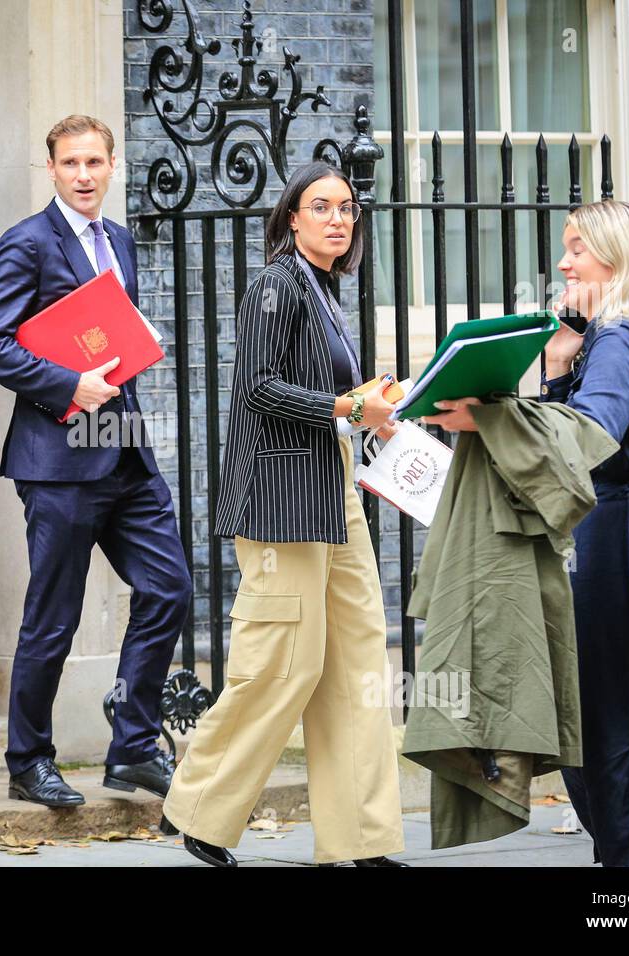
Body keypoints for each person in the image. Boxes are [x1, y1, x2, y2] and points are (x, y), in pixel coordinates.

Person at [423, 199, 629, 867]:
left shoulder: (624, 338)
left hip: (624, 542)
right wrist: (555, 362)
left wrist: (486, 416)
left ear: (615, 258)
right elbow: (577, 439)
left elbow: (591, 433)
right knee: (620, 741)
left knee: (608, 744)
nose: (564, 260)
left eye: (577, 246)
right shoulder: (621, 337)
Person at [160, 161, 408, 868]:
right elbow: (260, 388)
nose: (338, 219)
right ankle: (200, 808)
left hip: (335, 489)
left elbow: (325, 395)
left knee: (357, 666)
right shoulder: (274, 285)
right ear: (292, 219)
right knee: (282, 667)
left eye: (347, 209)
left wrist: (374, 405)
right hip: (281, 502)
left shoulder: (324, 289)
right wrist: (349, 406)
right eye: (321, 207)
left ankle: (361, 840)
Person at [0, 115, 192, 808]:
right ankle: (28, 760)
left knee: (170, 589)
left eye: (96, 162)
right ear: (53, 170)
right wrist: (67, 385)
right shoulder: (27, 243)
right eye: (71, 164)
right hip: (58, 464)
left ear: (113, 165)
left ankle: (131, 749)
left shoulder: (118, 240)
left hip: (125, 457)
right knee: (52, 618)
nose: (85, 175)